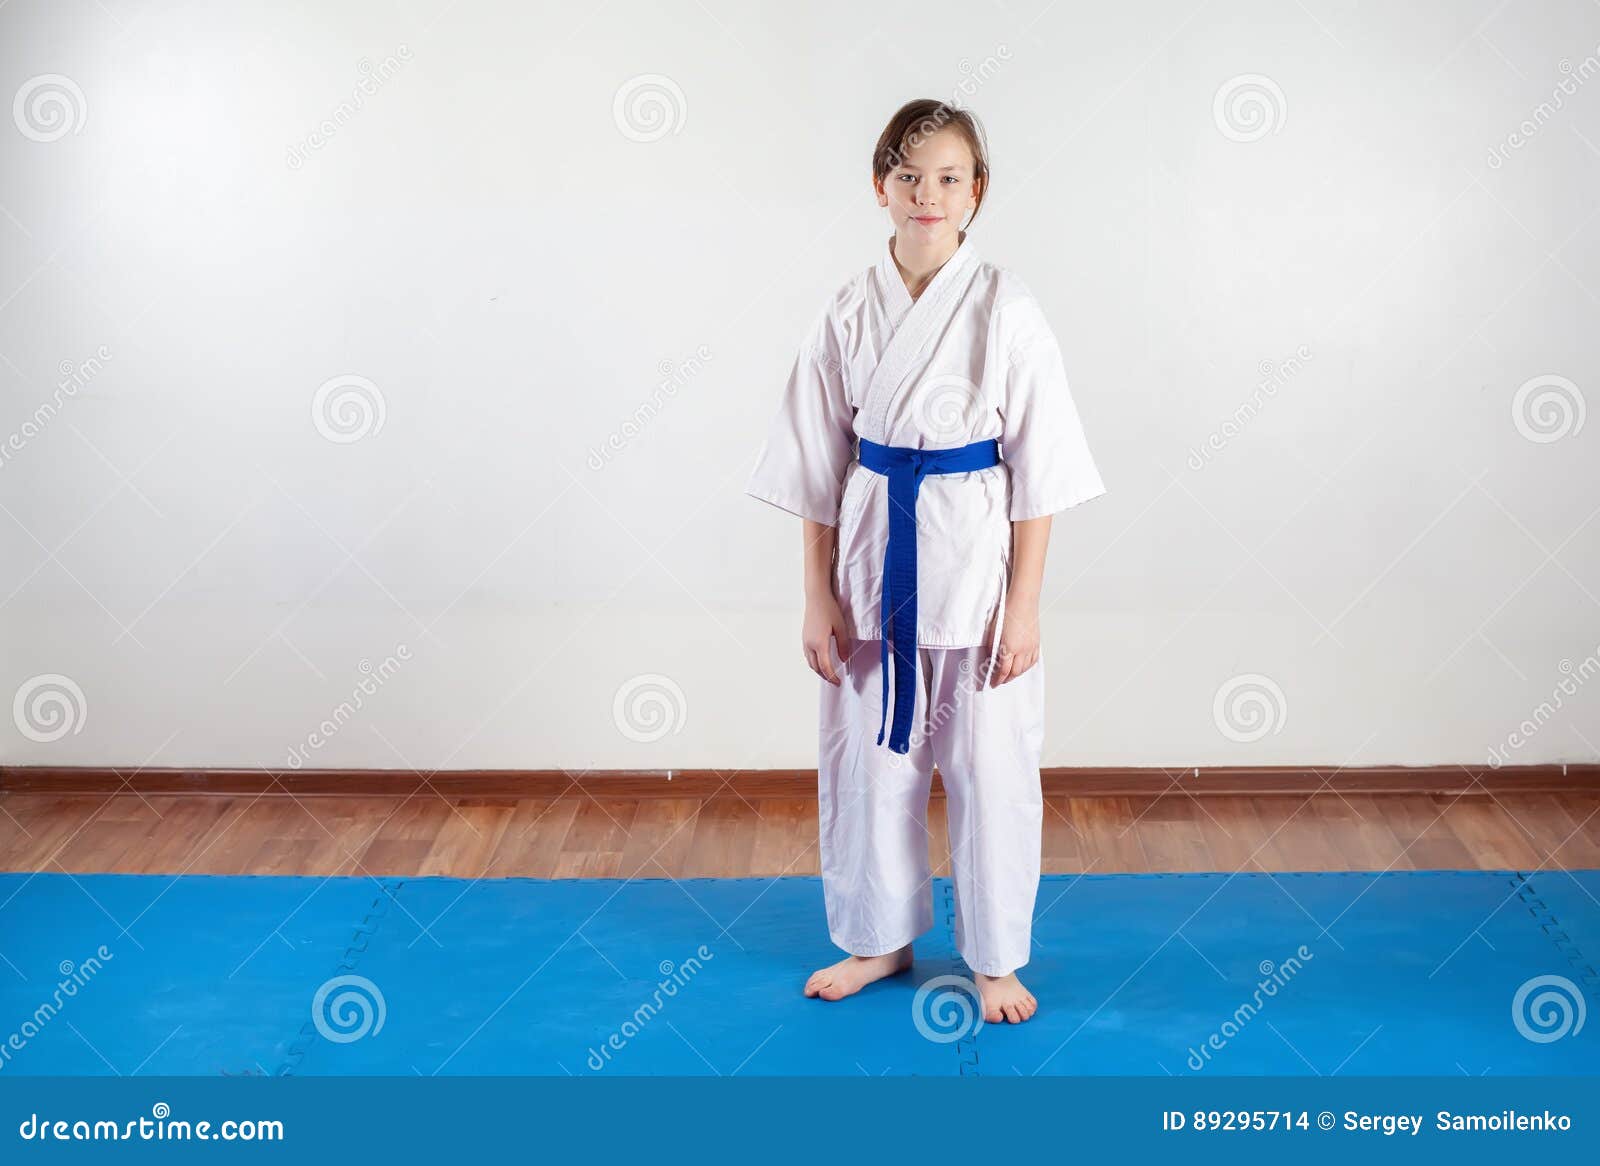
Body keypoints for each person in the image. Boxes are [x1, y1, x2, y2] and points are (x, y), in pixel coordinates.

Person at [744, 98, 1107, 1025]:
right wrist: (815, 596)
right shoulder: (847, 308)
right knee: (870, 768)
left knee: (991, 768)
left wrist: (1024, 606)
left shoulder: (1006, 307)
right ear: (880, 188)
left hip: (976, 577)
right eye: (909, 176)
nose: (928, 194)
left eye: (948, 177)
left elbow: (1043, 469)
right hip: (871, 577)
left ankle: (994, 959)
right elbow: (817, 464)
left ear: (976, 192)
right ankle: (880, 938)